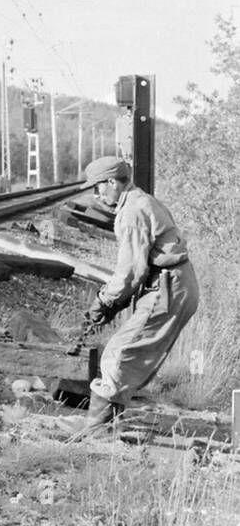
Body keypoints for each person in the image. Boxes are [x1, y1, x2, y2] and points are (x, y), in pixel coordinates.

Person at [67, 155, 199, 438]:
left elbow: (130, 272)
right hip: (173, 283)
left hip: (168, 286)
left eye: (99, 186)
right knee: (129, 352)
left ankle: (98, 429)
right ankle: (110, 422)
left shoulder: (132, 213)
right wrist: (116, 302)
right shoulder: (141, 200)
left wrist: (105, 301)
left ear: (113, 182)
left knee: (119, 352)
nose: (97, 193)